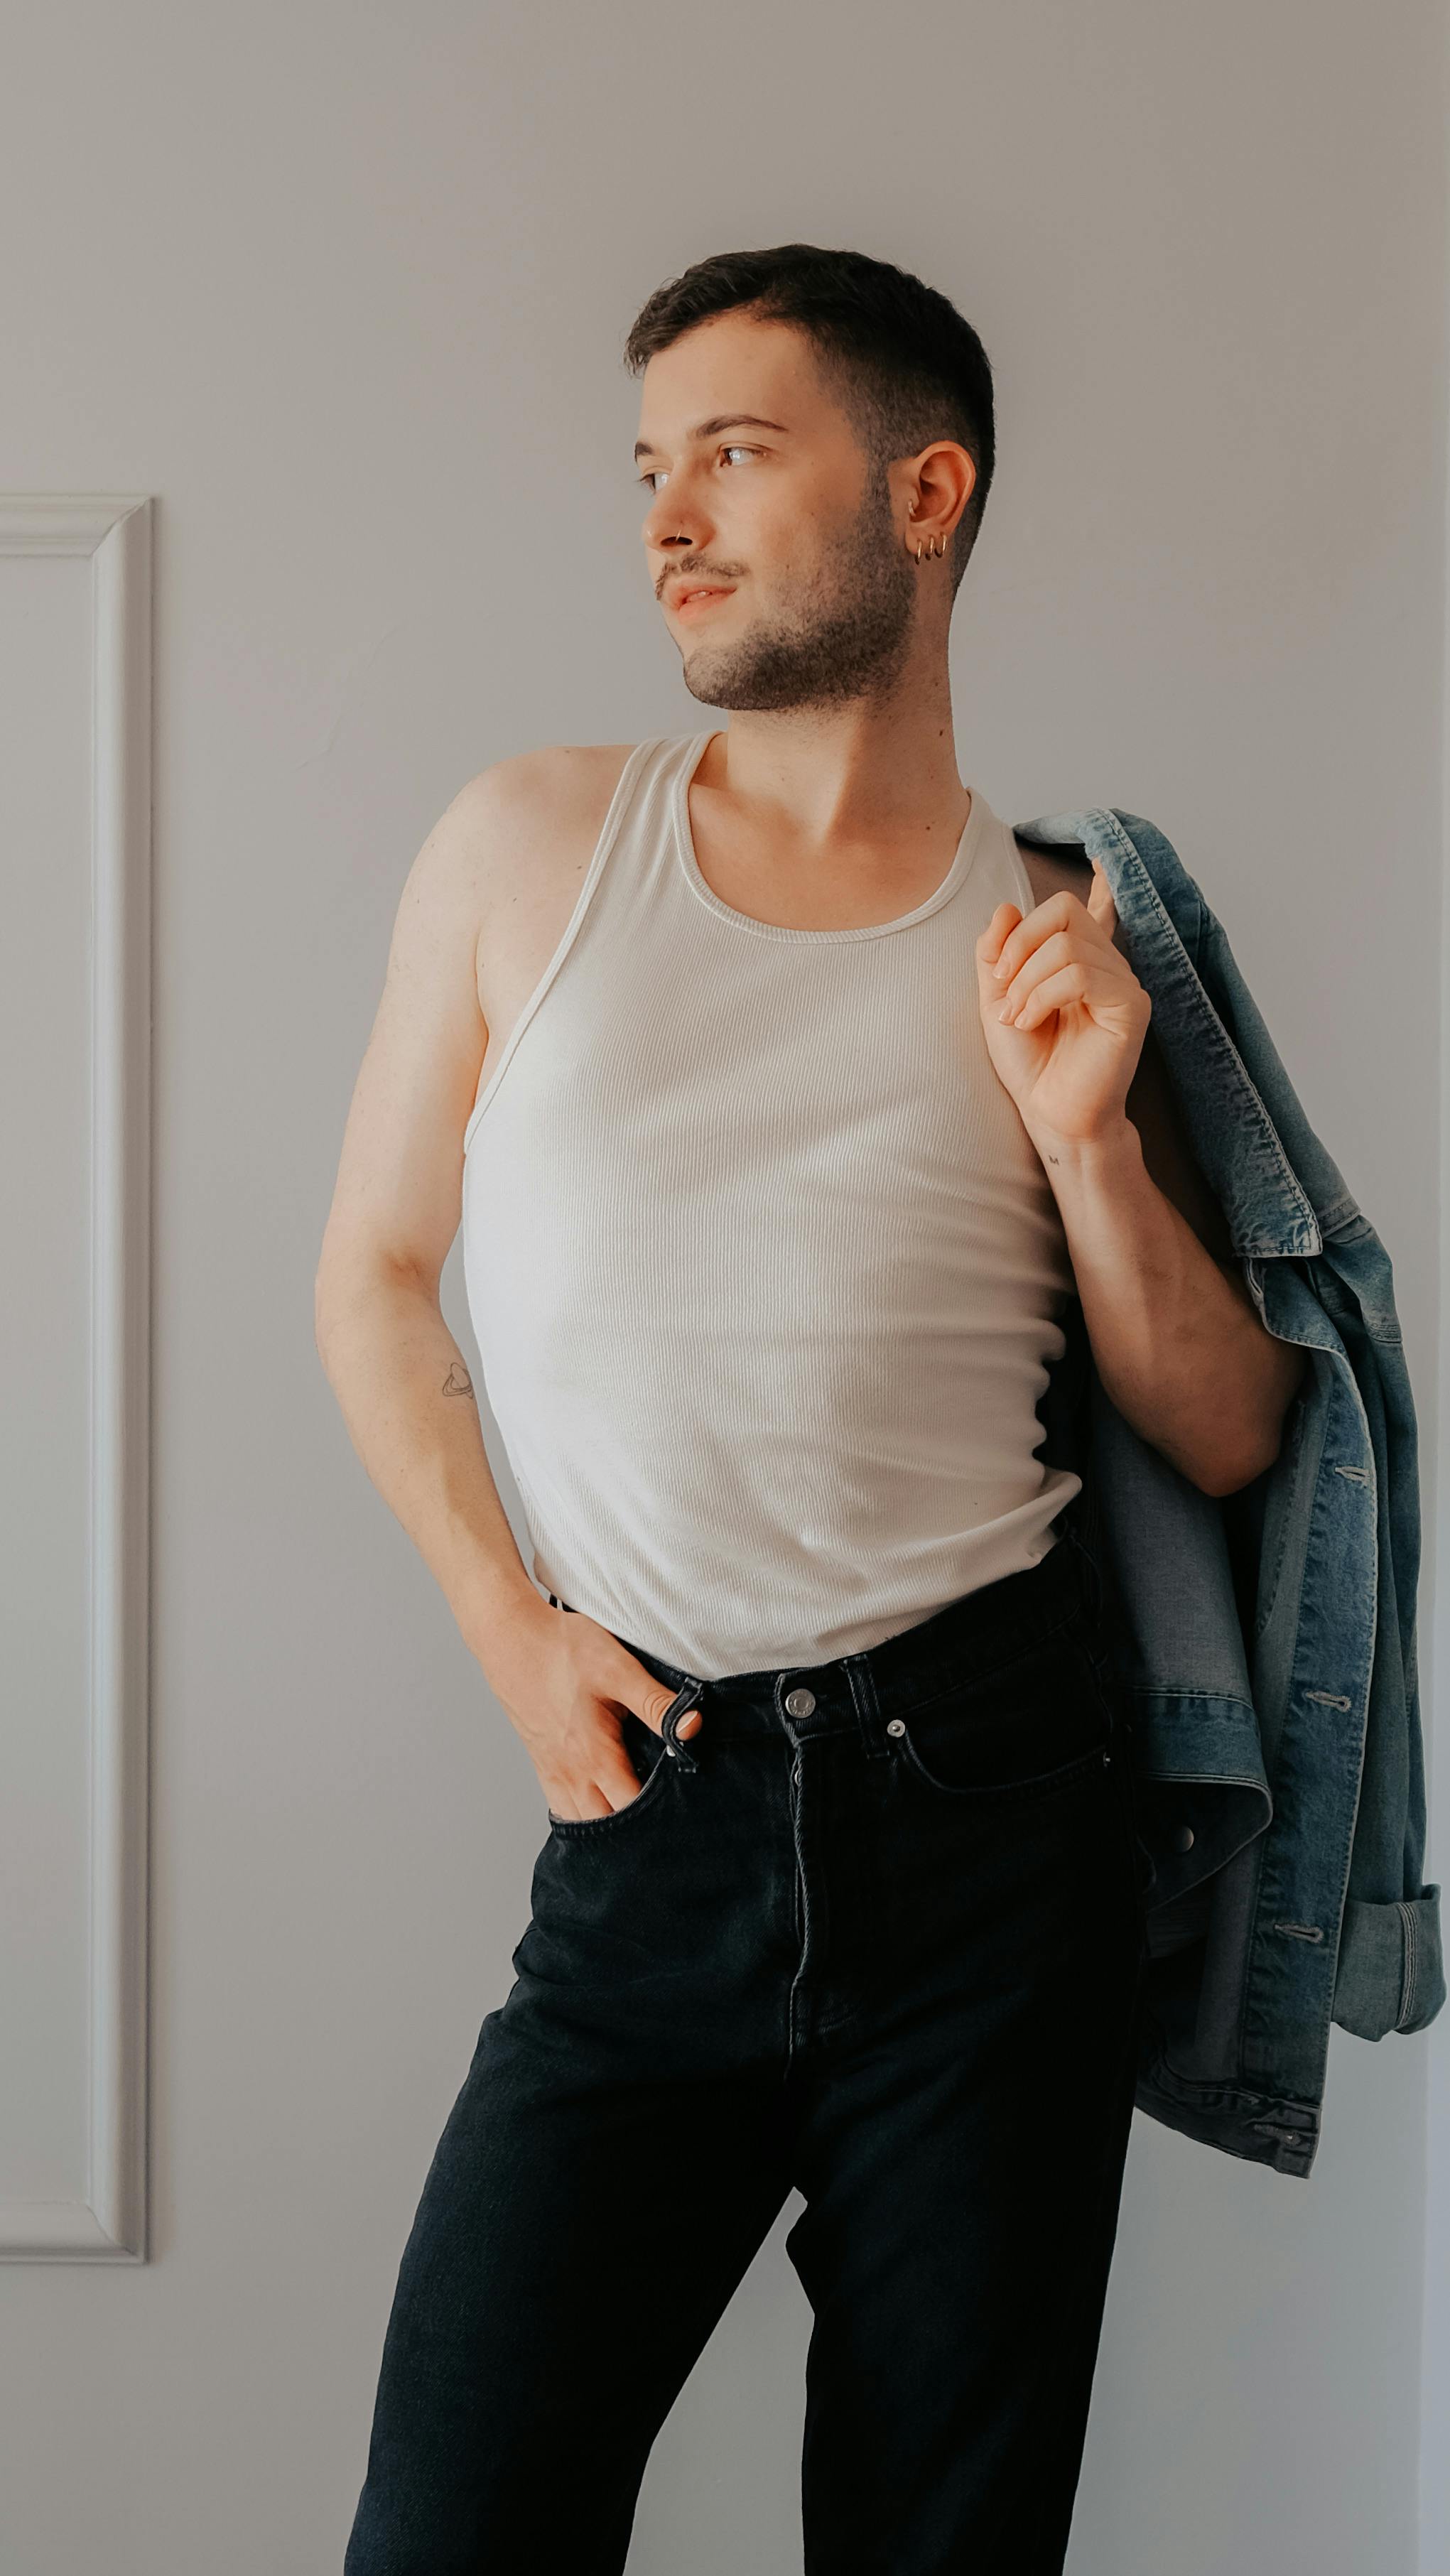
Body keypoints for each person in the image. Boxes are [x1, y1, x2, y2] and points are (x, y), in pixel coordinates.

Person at [318, 243, 1306, 2574]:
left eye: (736, 455)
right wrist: (503, 1622)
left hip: (993, 1819)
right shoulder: (529, 846)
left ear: (925, 488)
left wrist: (1080, 1136)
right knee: (452, 2532)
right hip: (650, 1817)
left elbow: (1237, 1428)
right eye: (649, 469)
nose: (669, 516)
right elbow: (368, 1279)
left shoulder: (1064, 922)